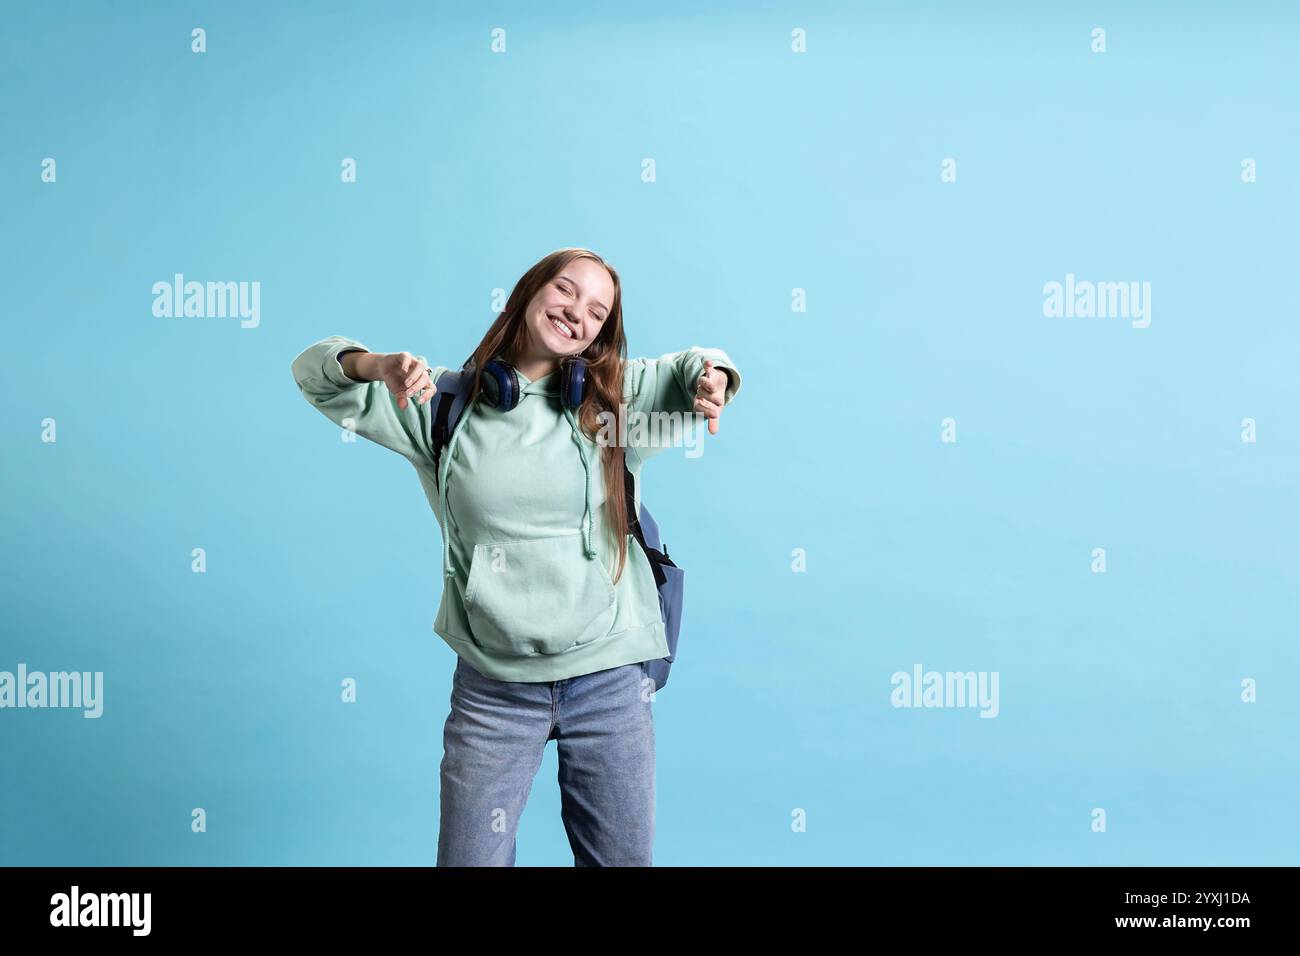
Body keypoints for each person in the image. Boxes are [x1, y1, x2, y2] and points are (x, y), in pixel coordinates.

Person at [290, 247, 742, 866]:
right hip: (494, 688)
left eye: (597, 310)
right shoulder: (441, 406)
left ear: (600, 334)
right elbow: (314, 372)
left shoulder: (613, 408)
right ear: (528, 293)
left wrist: (711, 378)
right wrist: (375, 365)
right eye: (565, 289)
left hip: (610, 677)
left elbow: (697, 367)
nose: (576, 312)